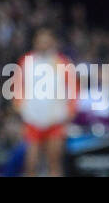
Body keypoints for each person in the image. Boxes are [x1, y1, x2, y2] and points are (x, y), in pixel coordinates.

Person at [14, 29, 75, 177]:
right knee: (31, 162)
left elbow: (73, 91)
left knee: (54, 162)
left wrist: (68, 112)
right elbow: (18, 87)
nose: (43, 44)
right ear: (35, 42)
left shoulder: (63, 62)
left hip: (56, 120)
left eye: (47, 41)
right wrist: (20, 108)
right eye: (41, 41)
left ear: (53, 42)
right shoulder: (26, 61)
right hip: (32, 119)